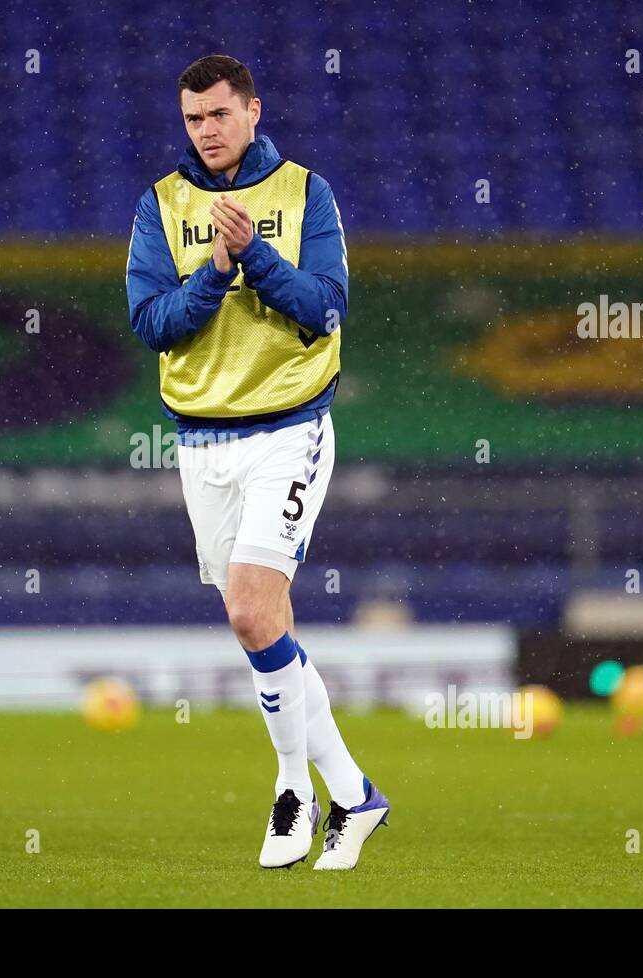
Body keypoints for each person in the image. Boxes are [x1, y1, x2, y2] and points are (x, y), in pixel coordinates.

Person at [125, 54, 386, 869]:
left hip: (288, 429)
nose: (205, 131)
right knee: (263, 623)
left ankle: (295, 787)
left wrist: (259, 259)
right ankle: (351, 795)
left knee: (247, 610)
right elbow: (151, 323)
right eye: (193, 119)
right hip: (200, 443)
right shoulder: (161, 206)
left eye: (218, 115)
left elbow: (325, 312)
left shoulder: (306, 193)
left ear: (252, 112)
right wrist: (217, 272)